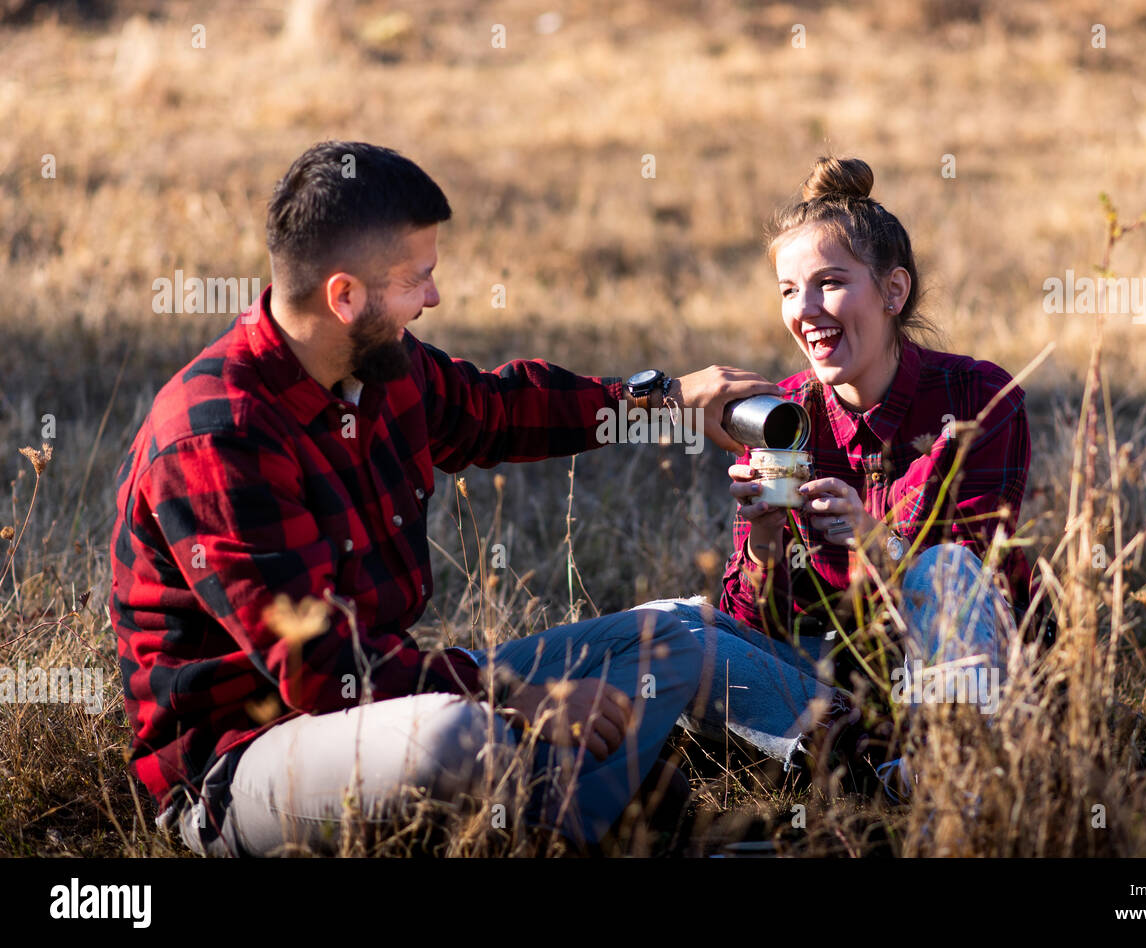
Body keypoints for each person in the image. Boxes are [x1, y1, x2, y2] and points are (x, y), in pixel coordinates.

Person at [109, 141, 780, 856]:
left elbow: (498, 409)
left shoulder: (377, 367)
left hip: (390, 705)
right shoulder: (219, 433)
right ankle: (619, 819)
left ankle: (859, 759)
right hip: (241, 766)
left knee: (670, 632)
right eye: (416, 279)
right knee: (461, 738)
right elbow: (324, 667)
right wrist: (521, 698)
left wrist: (664, 401)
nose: (432, 299)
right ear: (345, 295)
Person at [637, 156, 1045, 791]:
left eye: (829, 283)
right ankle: (861, 768)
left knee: (942, 569)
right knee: (669, 623)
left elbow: (977, 585)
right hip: (836, 686)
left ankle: (956, 772)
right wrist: (766, 543)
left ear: (893, 291)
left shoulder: (978, 400)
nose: (806, 310)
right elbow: (751, 630)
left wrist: (873, 542)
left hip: (959, 687)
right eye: (788, 290)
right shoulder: (782, 415)